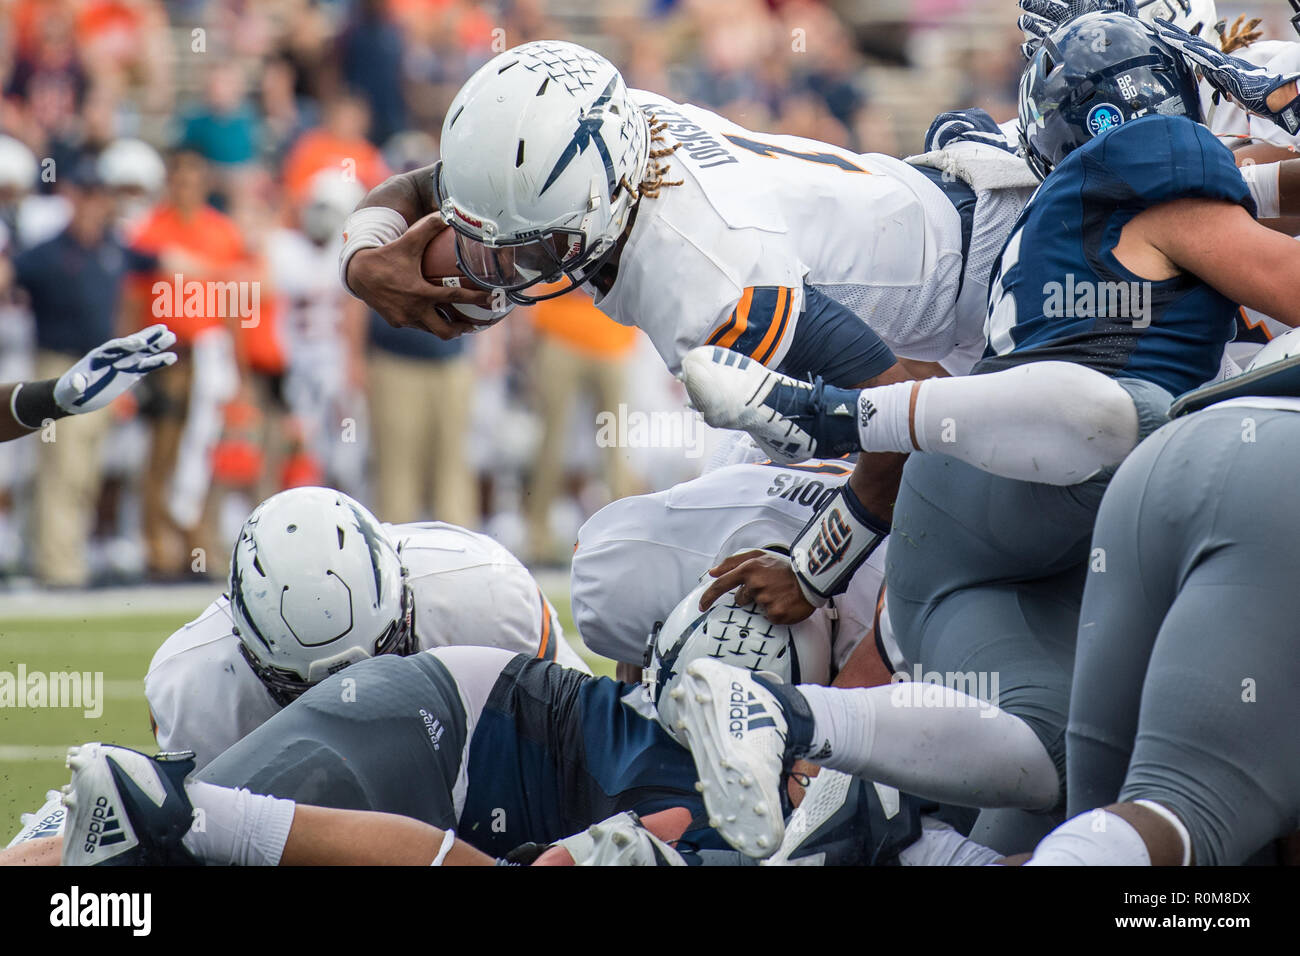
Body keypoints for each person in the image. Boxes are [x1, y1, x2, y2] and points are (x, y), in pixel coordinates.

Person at [675, 11, 1300, 854]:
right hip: (1037, 462)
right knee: (1144, 420)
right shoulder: (1152, 179)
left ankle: (793, 727)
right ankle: (821, 409)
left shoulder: (1105, 197)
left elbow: (1260, 180)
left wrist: (816, 570)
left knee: (1049, 771)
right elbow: (1279, 261)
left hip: (974, 523)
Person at [145, 485, 590, 772]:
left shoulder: (484, 591)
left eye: (387, 657)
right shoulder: (194, 690)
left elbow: (583, 736)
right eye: (303, 688)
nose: (353, 700)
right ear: (247, 651)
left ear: (405, 597)